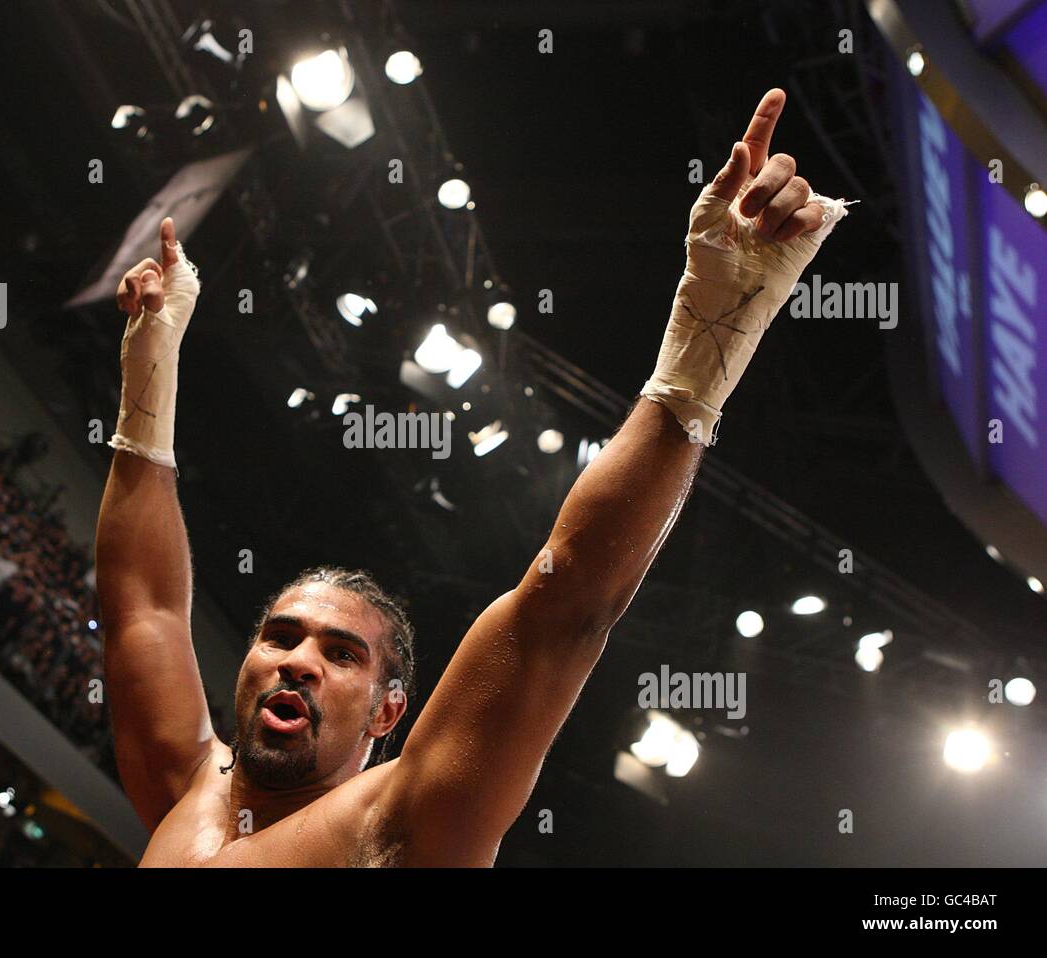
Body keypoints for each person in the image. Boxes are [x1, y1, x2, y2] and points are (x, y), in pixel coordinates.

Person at [97, 88, 850, 866]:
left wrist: (710, 338)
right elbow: (143, 606)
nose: (298, 660)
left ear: (388, 713)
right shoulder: (185, 788)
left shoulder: (394, 828)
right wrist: (149, 364)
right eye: (281, 636)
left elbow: (563, 610)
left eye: (342, 653)